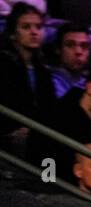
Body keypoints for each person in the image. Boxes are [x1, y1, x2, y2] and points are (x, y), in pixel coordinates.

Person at [0, 3, 56, 150]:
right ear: (13, 33)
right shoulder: (3, 64)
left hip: (37, 135)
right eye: (26, 27)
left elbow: (49, 108)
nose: (34, 32)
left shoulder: (43, 70)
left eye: (38, 27)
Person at [48, 22, 91, 98]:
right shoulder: (47, 80)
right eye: (70, 45)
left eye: (84, 46)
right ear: (58, 49)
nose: (78, 51)